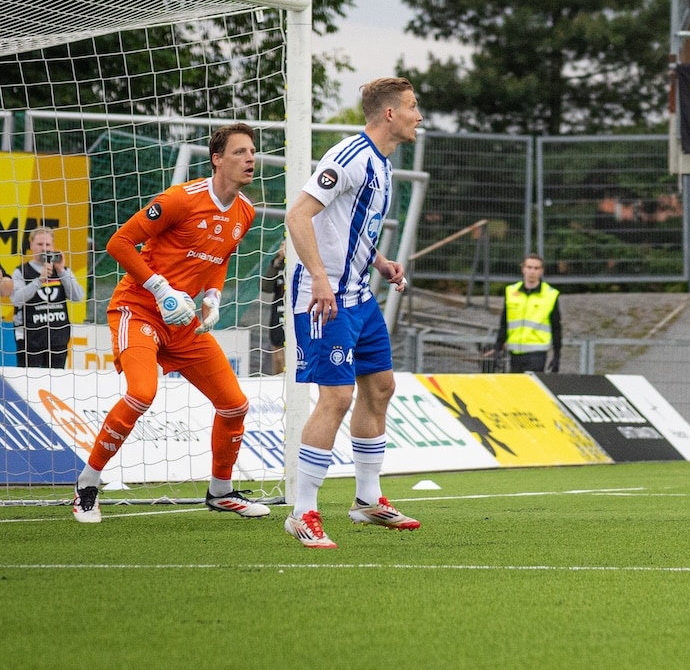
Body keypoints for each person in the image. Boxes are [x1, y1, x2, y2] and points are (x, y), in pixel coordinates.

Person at [71, 124, 269, 525]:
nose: (250, 158)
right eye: (239, 152)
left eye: (252, 151)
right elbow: (118, 243)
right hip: (139, 310)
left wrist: (213, 298)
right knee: (142, 393)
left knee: (235, 405)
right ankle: (87, 486)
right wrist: (160, 288)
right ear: (217, 159)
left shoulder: (245, 212)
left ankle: (220, 491)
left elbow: (220, 258)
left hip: (184, 324)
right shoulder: (180, 199)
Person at [283, 78, 427, 548]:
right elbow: (297, 215)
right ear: (389, 114)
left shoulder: (382, 165)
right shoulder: (349, 156)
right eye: (411, 106)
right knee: (336, 398)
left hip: (360, 295)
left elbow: (350, 227)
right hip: (323, 298)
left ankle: (367, 500)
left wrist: (381, 261)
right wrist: (322, 279)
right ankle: (303, 511)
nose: (418, 115)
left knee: (381, 387)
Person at [8, 227, 83, 369]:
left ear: (53, 246)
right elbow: (16, 300)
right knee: (30, 385)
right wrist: (39, 280)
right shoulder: (21, 271)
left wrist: (61, 270)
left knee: (56, 384)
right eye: (40, 244)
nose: (44, 248)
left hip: (58, 338)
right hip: (30, 339)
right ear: (31, 245)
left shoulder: (62, 271)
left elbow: (78, 297)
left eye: (47, 245)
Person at [491, 253, 560, 374]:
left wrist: (556, 355)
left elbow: (556, 326)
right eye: (529, 267)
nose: (532, 271)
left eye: (536, 268)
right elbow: (504, 322)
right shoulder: (511, 291)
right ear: (523, 269)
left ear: (541, 271)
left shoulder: (550, 295)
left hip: (537, 353)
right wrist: (497, 347)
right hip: (515, 352)